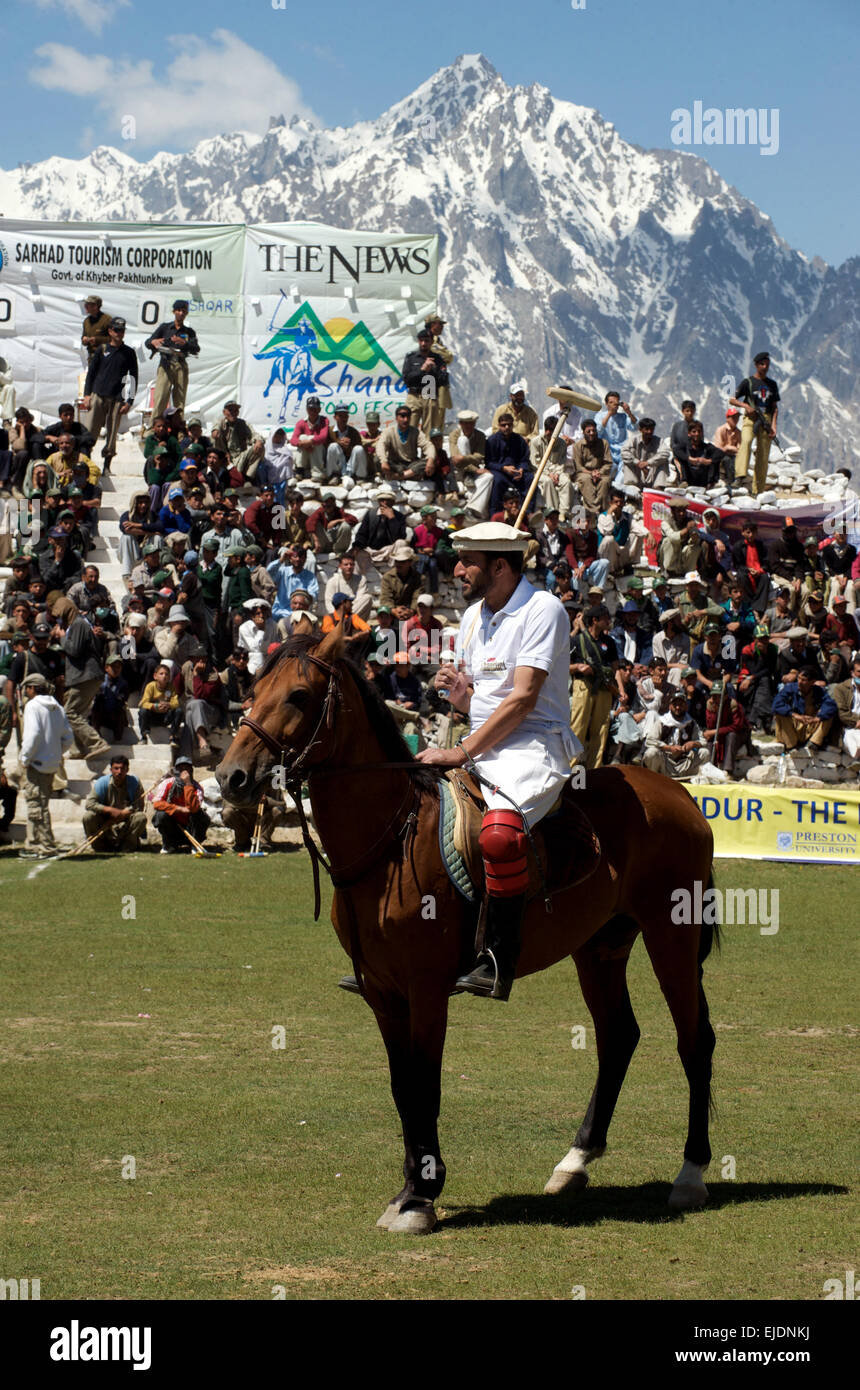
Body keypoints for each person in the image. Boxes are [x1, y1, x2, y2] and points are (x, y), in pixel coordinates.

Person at [415, 520, 581, 1001]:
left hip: (533, 744)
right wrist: (461, 694)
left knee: (499, 836)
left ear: (501, 566)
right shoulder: (472, 617)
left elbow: (523, 699)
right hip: (483, 742)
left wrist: (460, 751)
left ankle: (497, 959)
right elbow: (484, 701)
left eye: (468, 562)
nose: (457, 570)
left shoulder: (543, 609)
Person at [18, 671, 74, 857]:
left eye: (27, 688)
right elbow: (68, 737)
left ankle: (46, 846)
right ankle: (33, 843)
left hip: (36, 763)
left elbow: (32, 735)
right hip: (51, 763)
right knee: (38, 804)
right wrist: (55, 753)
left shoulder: (33, 706)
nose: (26, 692)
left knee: (37, 806)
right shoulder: (57, 706)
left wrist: (25, 758)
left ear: (32, 688)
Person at [81, 317, 138, 473]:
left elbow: (133, 377)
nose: (119, 333)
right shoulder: (102, 349)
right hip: (98, 394)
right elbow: (91, 373)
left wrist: (129, 401)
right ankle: (86, 465)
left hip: (117, 397)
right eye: (117, 330)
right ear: (110, 331)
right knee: (90, 430)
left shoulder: (129, 352)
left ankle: (107, 466)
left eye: (122, 330)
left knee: (112, 434)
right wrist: (87, 394)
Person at [570, 604, 616, 768]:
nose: (609, 621)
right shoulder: (577, 640)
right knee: (578, 726)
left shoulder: (609, 641)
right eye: (605, 618)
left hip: (604, 687)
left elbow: (615, 667)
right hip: (583, 683)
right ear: (595, 620)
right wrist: (578, 667)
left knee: (601, 729)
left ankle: (594, 770)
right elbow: (563, 665)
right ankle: (569, 767)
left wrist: (618, 688)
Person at [61, 613, 111, 761]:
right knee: (76, 715)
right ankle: (78, 749)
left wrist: (62, 638)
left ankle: (96, 743)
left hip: (86, 676)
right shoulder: (84, 626)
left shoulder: (79, 624)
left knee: (69, 713)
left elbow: (74, 650)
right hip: (87, 677)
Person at [731, 352, 780, 497]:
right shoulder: (748, 382)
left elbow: (775, 407)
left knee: (763, 454)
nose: (765, 367)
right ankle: (740, 476)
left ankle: (758, 489)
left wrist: (774, 426)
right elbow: (732, 399)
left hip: (766, 419)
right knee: (746, 441)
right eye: (762, 364)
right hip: (750, 418)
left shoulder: (772, 384)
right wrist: (745, 406)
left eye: (767, 365)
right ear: (756, 365)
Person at [145, 300, 200, 419]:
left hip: (180, 364)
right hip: (166, 364)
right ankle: (155, 426)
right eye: (178, 310)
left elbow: (196, 348)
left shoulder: (189, 332)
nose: (181, 313)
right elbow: (148, 342)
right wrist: (153, 342)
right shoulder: (165, 328)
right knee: (161, 397)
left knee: (180, 399)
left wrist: (184, 343)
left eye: (184, 311)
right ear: (174, 311)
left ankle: (178, 425)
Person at [82, 755, 147, 852]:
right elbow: (89, 804)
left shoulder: (134, 782)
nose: (119, 772)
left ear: (127, 770)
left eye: (122, 769)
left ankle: (127, 846)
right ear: (111, 770)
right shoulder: (102, 783)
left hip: (126, 821)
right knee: (88, 816)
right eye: (116, 768)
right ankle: (100, 847)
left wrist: (124, 813)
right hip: (105, 821)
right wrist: (110, 810)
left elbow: (139, 805)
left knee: (140, 817)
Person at [642, 690, 706, 779]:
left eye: (681, 705)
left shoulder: (691, 723)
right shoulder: (662, 721)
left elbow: (703, 741)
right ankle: (654, 779)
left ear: (686, 706)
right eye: (675, 705)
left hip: (684, 763)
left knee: (704, 753)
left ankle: (690, 779)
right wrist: (669, 748)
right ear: (670, 706)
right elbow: (650, 740)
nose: (678, 707)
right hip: (665, 762)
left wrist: (693, 744)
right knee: (651, 752)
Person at [152, 756, 209, 853]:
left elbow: (194, 808)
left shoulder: (197, 787)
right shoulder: (167, 783)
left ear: (191, 770)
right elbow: (157, 803)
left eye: (187, 768)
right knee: (161, 815)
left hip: (190, 827)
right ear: (176, 770)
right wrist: (178, 808)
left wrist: (188, 784)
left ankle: (195, 846)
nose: (184, 772)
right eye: (181, 769)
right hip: (173, 826)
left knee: (202, 816)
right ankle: (169, 845)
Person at [772, 666, 836, 751]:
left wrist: (817, 718)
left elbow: (830, 705)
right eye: (798, 678)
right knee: (781, 714)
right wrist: (795, 715)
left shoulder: (818, 691)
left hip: (809, 724)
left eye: (803, 680)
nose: (799, 682)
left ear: (812, 682)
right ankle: (791, 745)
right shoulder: (790, 688)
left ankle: (814, 742)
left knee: (828, 716)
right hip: (793, 725)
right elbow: (777, 704)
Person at [485, 412, 533, 515]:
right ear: (499, 426)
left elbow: (524, 459)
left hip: (516, 471)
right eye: (504, 425)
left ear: (512, 425)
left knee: (529, 478)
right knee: (497, 481)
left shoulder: (519, 440)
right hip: (500, 471)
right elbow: (489, 462)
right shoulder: (492, 441)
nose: (506, 427)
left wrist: (521, 469)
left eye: (509, 425)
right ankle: (495, 513)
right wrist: (503, 468)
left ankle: (527, 512)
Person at [376, 404, 438, 481]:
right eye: (402, 416)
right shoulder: (389, 431)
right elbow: (381, 445)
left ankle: (399, 476)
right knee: (377, 460)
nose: (406, 419)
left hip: (410, 464)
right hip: (395, 465)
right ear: (396, 418)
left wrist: (430, 459)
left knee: (429, 461)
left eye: (408, 416)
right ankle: (410, 476)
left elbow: (428, 445)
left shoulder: (416, 432)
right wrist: (384, 461)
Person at [572, 419, 613, 518]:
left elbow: (608, 463)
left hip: (600, 472)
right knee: (586, 480)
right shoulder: (578, 446)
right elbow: (579, 466)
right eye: (588, 431)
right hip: (584, 473)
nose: (592, 433)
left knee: (605, 482)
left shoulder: (603, 443)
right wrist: (591, 473)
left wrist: (599, 472)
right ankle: (592, 511)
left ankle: (602, 511)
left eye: (593, 431)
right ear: (583, 432)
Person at [212, 401, 264, 480]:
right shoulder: (220, 422)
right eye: (230, 410)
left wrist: (258, 441)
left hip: (240, 457)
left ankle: (248, 477)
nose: (233, 413)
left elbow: (254, 434)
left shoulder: (242, 423)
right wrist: (215, 432)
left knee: (260, 447)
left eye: (235, 410)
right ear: (224, 412)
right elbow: (215, 430)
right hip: (225, 458)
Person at [138, 661, 184, 749]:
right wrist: (155, 706)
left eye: (166, 674)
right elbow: (144, 703)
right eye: (161, 674)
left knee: (179, 711)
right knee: (142, 711)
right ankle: (144, 736)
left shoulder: (171, 687)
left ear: (169, 677)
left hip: (165, 717)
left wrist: (168, 705)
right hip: (152, 717)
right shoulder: (150, 686)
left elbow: (176, 703)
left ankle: (173, 736)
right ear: (155, 676)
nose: (164, 676)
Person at [620, 418, 672, 494]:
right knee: (627, 461)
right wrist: (638, 463)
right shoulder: (633, 440)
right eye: (647, 429)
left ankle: (658, 488)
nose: (649, 432)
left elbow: (665, 453)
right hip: (637, 473)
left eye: (651, 429)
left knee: (664, 461)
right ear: (640, 429)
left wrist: (648, 463)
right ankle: (632, 489)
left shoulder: (659, 441)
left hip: (652, 474)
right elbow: (624, 453)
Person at [595, 391, 637, 480]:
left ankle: (617, 486)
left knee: (625, 466)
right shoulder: (599, 416)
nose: (614, 405)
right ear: (606, 404)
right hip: (607, 450)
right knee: (609, 469)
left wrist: (628, 412)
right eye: (611, 402)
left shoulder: (623, 417)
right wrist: (609, 414)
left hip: (622, 450)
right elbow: (598, 431)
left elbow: (635, 426)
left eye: (616, 402)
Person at [424, 312, 454, 431]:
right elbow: (448, 356)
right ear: (433, 325)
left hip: (439, 381)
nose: (442, 327)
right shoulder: (431, 341)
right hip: (433, 383)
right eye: (439, 324)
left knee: (439, 415)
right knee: (434, 417)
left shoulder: (437, 341)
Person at [326, 402, 370, 479]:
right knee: (333, 446)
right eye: (340, 416)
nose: (343, 419)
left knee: (359, 449)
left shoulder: (353, 432)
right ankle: (334, 475)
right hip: (338, 464)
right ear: (335, 417)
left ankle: (360, 476)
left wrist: (348, 447)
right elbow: (326, 448)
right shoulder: (330, 431)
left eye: (345, 416)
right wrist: (339, 443)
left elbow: (359, 453)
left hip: (351, 464)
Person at [290, 396, 330, 479]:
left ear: (319, 410)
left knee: (313, 439)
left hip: (319, 455)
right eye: (310, 409)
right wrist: (303, 444)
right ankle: (300, 469)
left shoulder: (324, 420)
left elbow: (323, 437)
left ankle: (317, 472)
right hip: (306, 455)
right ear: (307, 409)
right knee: (302, 437)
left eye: (315, 409)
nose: (313, 411)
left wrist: (310, 442)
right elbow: (293, 440)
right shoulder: (301, 423)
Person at [323, 553, 371, 621]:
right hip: (337, 615)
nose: (349, 567)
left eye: (351, 564)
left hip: (353, 611)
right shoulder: (332, 581)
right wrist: (337, 617)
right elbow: (328, 603)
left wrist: (348, 611)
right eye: (346, 564)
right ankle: (344, 621)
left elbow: (360, 600)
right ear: (340, 566)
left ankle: (348, 621)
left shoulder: (361, 580)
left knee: (368, 598)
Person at [237, 598, 278, 674]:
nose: (261, 616)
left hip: (269, 660)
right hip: (252, 662)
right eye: (258, 613)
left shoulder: (272, 624)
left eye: (263, 613)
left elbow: (274, 643)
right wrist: (261, 629)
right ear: (252, 616)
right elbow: (256, 648)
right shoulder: (244, 628)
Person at [832, 658, 860, 763]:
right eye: (859, 672)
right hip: (849, 726)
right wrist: (857, 721)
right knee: (853, 739)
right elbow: (843, 714)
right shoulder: (841, 689)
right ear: (852, 673)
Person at [80, 295, 112, 359]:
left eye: (87, 304)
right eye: (85, 304)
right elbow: (83, 338)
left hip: (104, 357)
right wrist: (84, 340)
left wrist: (97, 340)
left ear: (95, 306)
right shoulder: (86, 321)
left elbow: (114, 339)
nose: (85, 306)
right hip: (91, 357)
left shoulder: (107, 319)